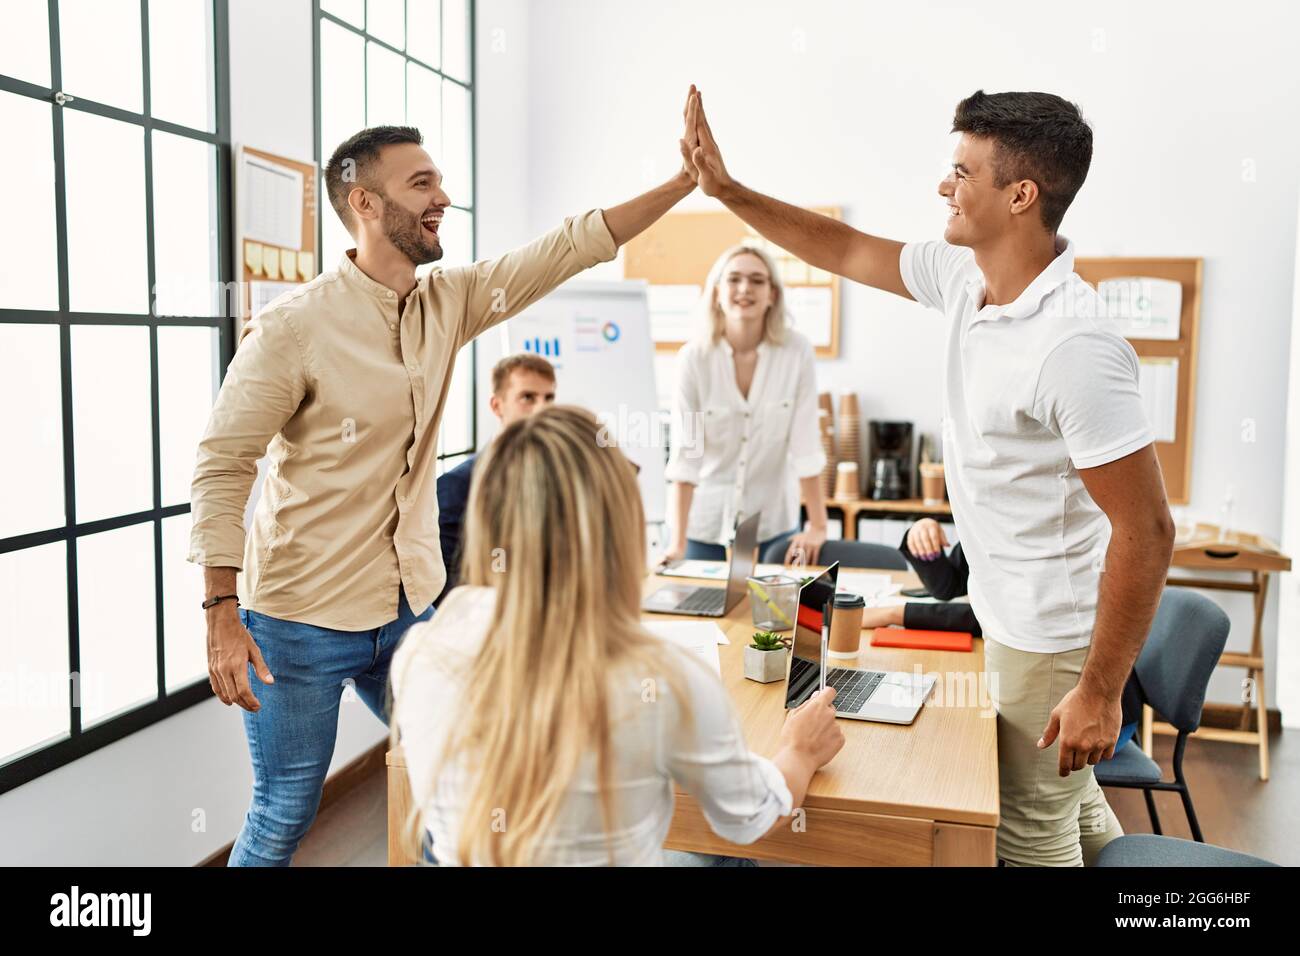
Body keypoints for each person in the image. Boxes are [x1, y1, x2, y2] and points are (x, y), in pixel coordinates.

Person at [190, 89, 706, 866]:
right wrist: (220, 613)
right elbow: (222, 463)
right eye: (422, 184)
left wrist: (679, 185)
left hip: (407, 605)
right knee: (285, 809)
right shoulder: (294, 329)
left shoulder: (450, 302)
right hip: (298, 616)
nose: (444, 198)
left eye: (440, 181)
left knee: (464, 776)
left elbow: (567, 247)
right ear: (365, 203)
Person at [681, 87, 1175, 866]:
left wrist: (1102, 689)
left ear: (1020, 195)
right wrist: (729, 191)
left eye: (961, 172)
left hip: (1049, 635)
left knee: (1027, 837)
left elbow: (1148, 530)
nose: (943, 186)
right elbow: (841, 248)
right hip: (1007, 615)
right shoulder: (961, 278)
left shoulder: (1074, 344)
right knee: (1071, 809)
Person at [390, 405, 845, 866]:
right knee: (724, 857)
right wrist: (799, 751)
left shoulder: (420, 653)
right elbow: (752, 816)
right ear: (618, 526)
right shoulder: (664, 679)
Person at [868, 518, 1140, 755]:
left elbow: (994, 617)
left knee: (965, 745)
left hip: (1099, 721)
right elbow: (948, 585)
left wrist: (896, 613)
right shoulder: (998, 515)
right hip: (1054, 698)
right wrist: (920, 535)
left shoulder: (1048, 534)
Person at [663, 243, 830, 567]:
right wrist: (677, 544)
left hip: (774, 525)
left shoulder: (796, 352)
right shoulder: (693, 359)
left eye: (757, 280)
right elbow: (687, 456)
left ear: (773, 294)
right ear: (716, 292)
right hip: (704, 527)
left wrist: (818, 526)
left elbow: (805, 445)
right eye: (734, 279)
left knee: (774, 615)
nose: (744, 289)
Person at [435, 352, 557, 603]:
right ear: (497, 405)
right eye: (528, 398)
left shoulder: (556, 476)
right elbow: (447, 591)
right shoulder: (457, 485)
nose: (542, 409)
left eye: (549, 398)